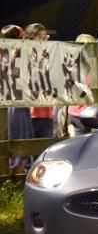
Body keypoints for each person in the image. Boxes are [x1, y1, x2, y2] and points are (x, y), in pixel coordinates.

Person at [2, 24, 34, 175]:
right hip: (16, 105)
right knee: (19, 148)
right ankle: (14, 189)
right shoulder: (19, 55)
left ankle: (8, 190)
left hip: (10, 104)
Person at [25, 22, 54, 138]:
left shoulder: (48, 56)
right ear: (29, 38)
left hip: (47, 112)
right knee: (25, 151)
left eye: (45, 37)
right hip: (28, 112)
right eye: (39, 37)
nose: (43, 40)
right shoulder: (23, 56)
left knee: (44, 151)